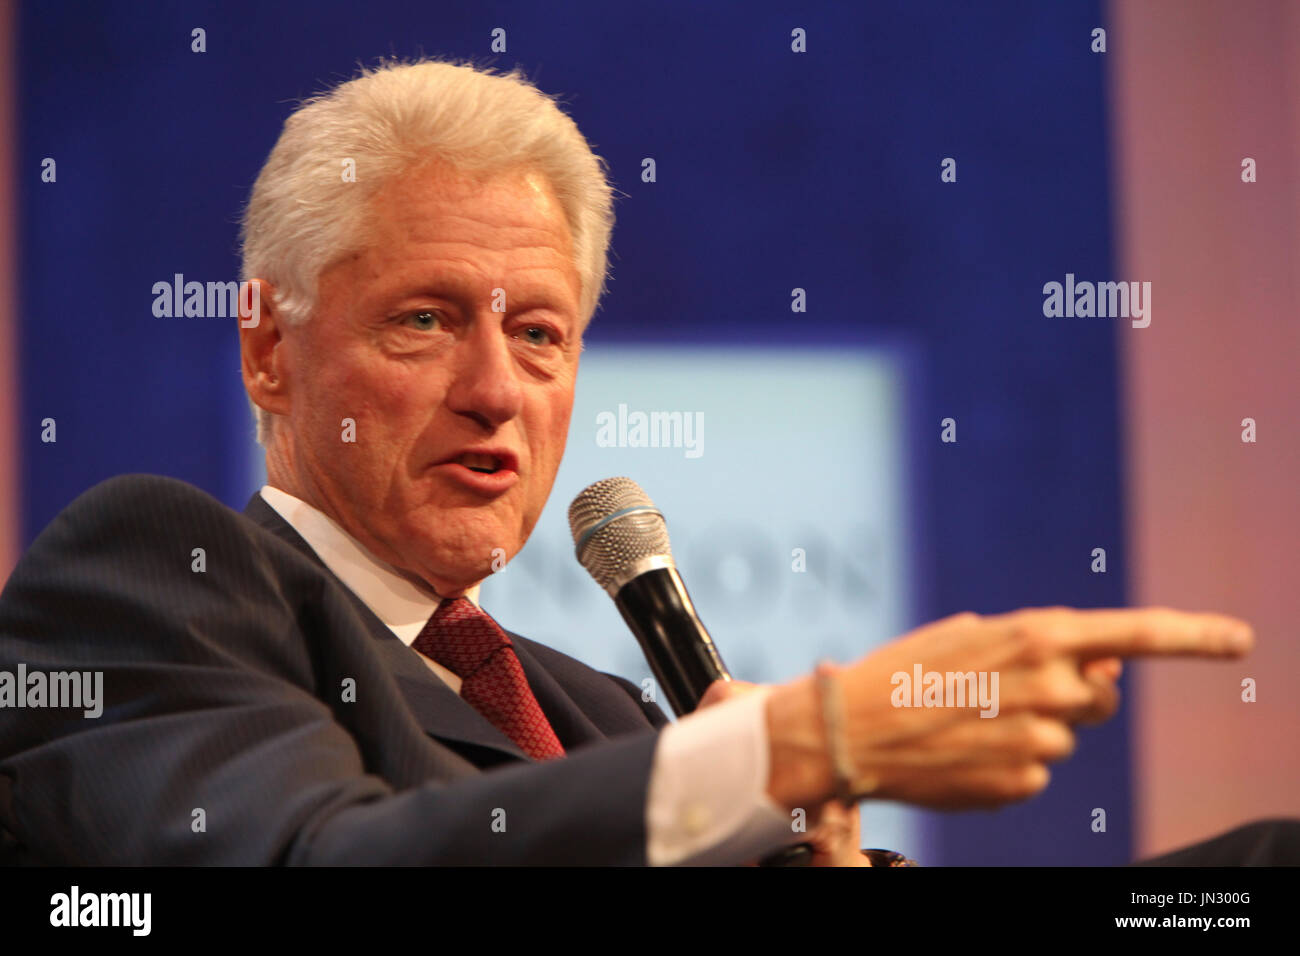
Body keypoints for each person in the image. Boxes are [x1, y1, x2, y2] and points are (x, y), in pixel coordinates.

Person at [0, 58, 1269, 866]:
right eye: (427, 318)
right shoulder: (157, 578)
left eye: (539, 332)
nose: (498, 389)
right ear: (269, 350)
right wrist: (799, 738)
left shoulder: (598, 711)